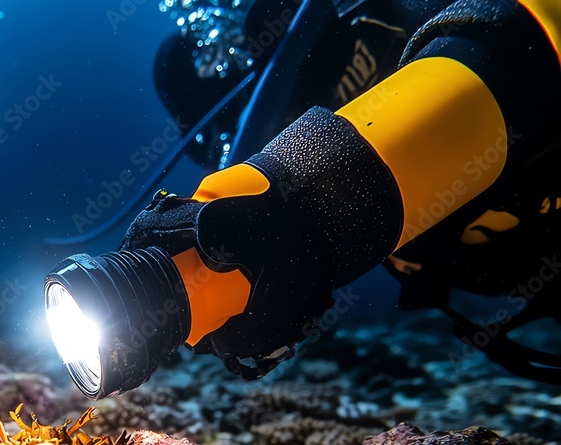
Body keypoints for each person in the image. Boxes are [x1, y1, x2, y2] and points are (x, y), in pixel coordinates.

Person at [121, 0, 561, 382]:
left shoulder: (376, 19)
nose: (237, 150)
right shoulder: (301, 163)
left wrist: (287, 217)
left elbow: (523, 37)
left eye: (226, 131)